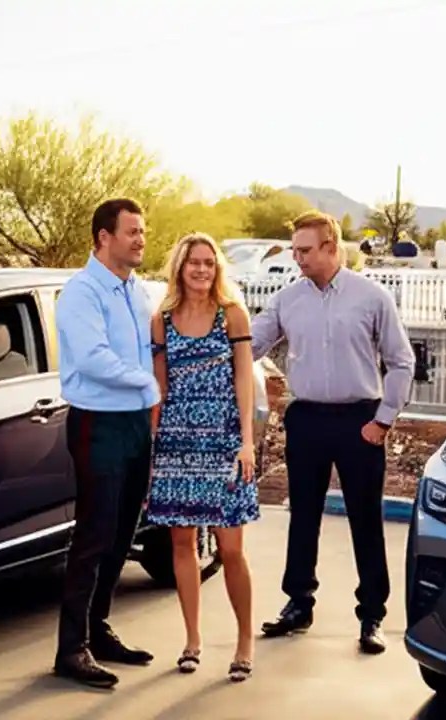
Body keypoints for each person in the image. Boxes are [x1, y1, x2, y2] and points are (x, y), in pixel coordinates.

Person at [250, 210, 414, 655]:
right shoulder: (287, 300)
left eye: (305, 250)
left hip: (360, 421)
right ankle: (298, 603)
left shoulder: (372, 297)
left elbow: (401, 361)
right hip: (307, 420)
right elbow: (251, 342)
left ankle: (372, 616)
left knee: (365, 520)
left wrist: (383, 420)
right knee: (302, 516)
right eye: (294, 250)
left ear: (330, 247)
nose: (296, 258)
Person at [52, 198, 159, 689]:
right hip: (98, 422)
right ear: (103, 237)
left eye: (143, 231)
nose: (140, 239)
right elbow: (93, 359)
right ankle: (71, 649)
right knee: (94, 535)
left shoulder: (137, 291)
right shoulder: (82, 292)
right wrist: (147, 384)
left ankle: (99, 629)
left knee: (122, 533)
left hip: (134, 423)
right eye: (132, 231)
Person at [146, 232, 260, 683]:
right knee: (181, 544)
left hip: (225, 441)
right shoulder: (164, 319)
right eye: (193, 262)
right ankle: (192, 639)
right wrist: (156, 449)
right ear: (179, 266)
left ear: (217, 269)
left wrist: (246, 441)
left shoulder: (232, 315)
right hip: (177, 440)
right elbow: (161, 386)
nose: (201, 270)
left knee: (231, 548)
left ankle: (244, 640)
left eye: (208, 263)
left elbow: (244, 383)